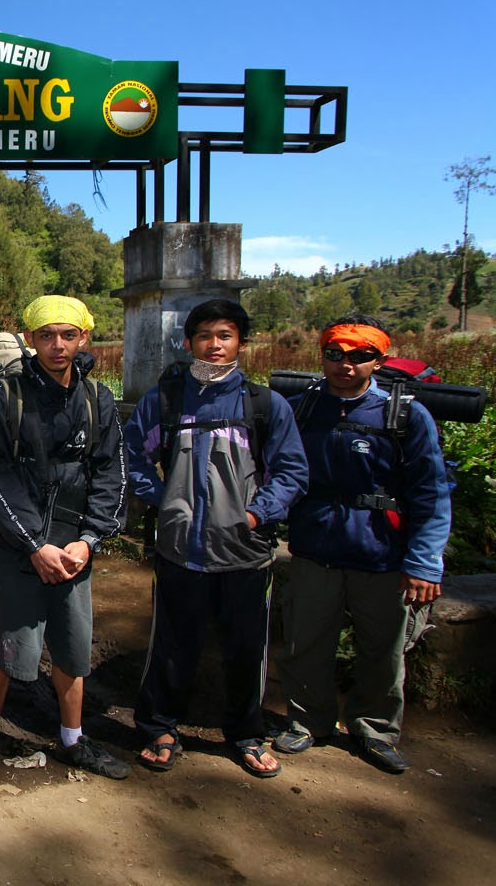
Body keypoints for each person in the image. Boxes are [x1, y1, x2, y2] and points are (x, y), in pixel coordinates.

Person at [0, 297, 130, 797]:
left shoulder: (97, 400)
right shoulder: (6, 398)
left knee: (73, 648)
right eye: (47, 335)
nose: (58, 345)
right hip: (19, 549)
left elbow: (111, 474)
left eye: (68, 335)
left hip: (73, 551)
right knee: (4, 648)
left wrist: (88, 540)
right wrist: (33, 544)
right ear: (30, 340)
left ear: (84, 338)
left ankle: (73, 739)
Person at [124, 299, 308, 779]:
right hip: (179, 551)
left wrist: (256, 514)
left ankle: (247, 734)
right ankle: (160, 728)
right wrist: (165, 500)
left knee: (246, 650)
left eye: (225, 335)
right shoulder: (165, 402)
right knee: (171, 645)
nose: (214, 345)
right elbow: (132, 456)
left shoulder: (264, 406)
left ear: (241, 343)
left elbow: (291, 471)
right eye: (204, 335)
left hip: (245, 555)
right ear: (188, 343)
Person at [274, 315, 451, 773]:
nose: (345, 365)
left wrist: (424, 562)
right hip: (315, 548)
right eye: (335, 354)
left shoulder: (406, 416)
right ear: (323, 355)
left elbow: (431, 492)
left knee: (383, 650)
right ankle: (308, 721)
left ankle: (375, 728)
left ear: (380, 360)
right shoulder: (300, 410)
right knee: (306, 641)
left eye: (360, 356)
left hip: (383, 552)